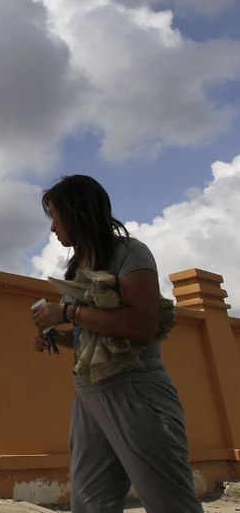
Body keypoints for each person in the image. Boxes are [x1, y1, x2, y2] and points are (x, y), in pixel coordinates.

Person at [31, 175, 201, 513]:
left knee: (169, 500)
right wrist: (57, 335)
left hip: (135, 391)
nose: (52, 228)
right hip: (89, 394)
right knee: (91, 503)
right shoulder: (81, 266)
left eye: (55, 215)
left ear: (77, 212)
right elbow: (96, 337)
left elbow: (140, 325)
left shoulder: (130, 253)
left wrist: (66, 311)